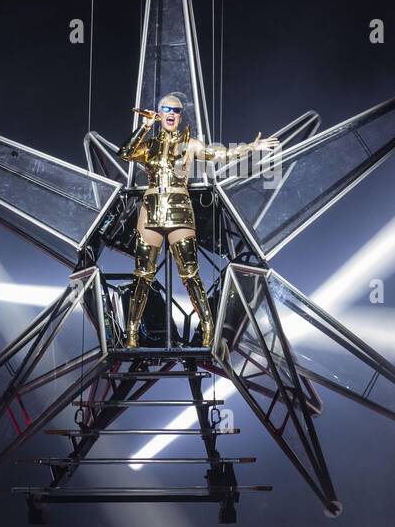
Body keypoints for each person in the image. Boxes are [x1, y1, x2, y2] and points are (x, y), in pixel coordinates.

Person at [119, 92, 278, 347]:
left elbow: (220, 155)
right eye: (166, 109)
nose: (171, 113)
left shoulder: (190, 144)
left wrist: (252, 147)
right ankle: (132, 333)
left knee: (190, 274)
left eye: (176, 110)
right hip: (151, 209)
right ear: (158, 113)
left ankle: (207, 328)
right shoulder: (148, 145)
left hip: (179, 208)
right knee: (142, 275)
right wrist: (145, 127)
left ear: (180, 116)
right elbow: (125, 152)